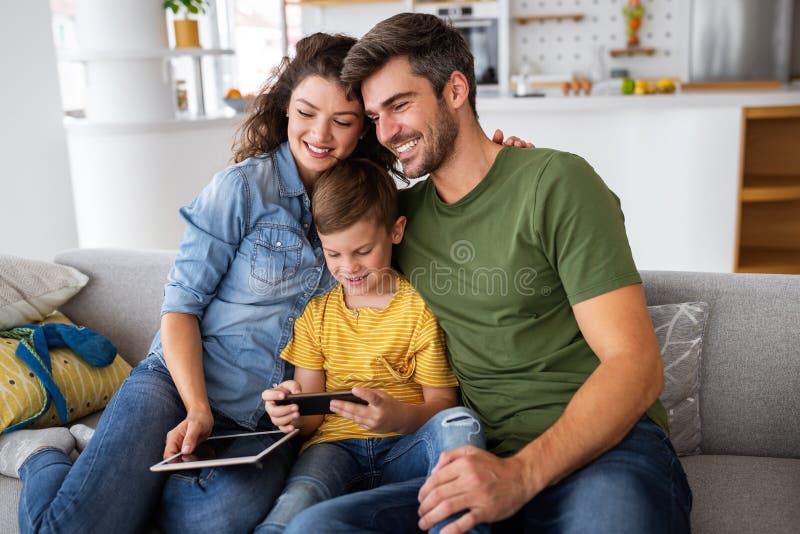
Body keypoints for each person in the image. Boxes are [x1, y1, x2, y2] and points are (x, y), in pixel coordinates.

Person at [282, 13, 693, 534]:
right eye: (374, 116)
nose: (385, 133)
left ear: (455, 89)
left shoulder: (556, 183)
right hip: (475, 457)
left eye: (400, 105)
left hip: (605, 450)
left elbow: (635, 365)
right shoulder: (398, 223)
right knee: (312, 529)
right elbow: (334, 240)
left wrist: (521, 475)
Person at [1, 33, 399, 534]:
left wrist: (493, 158)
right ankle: (44, 455)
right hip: (175, 385)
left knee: (213, 517)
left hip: (260, 422)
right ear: (284, 109)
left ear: (364, 127)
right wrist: (197, 410)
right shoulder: (242, 190)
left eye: (342, 121)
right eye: (305, 113)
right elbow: (180, 308)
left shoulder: (371, 208)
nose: (320, 134)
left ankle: (132, 485)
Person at [256, 158, 483, 533]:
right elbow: (312, 420)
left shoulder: (418, 310)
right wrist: (292, 410)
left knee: (461, 423)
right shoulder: (315, 316)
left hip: (404, 445)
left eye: (363, 251)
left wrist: (397, 417)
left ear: (396, 232)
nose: (349, 268)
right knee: (295, 505)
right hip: (334, 451)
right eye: (334, 254)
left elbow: (443, 404)